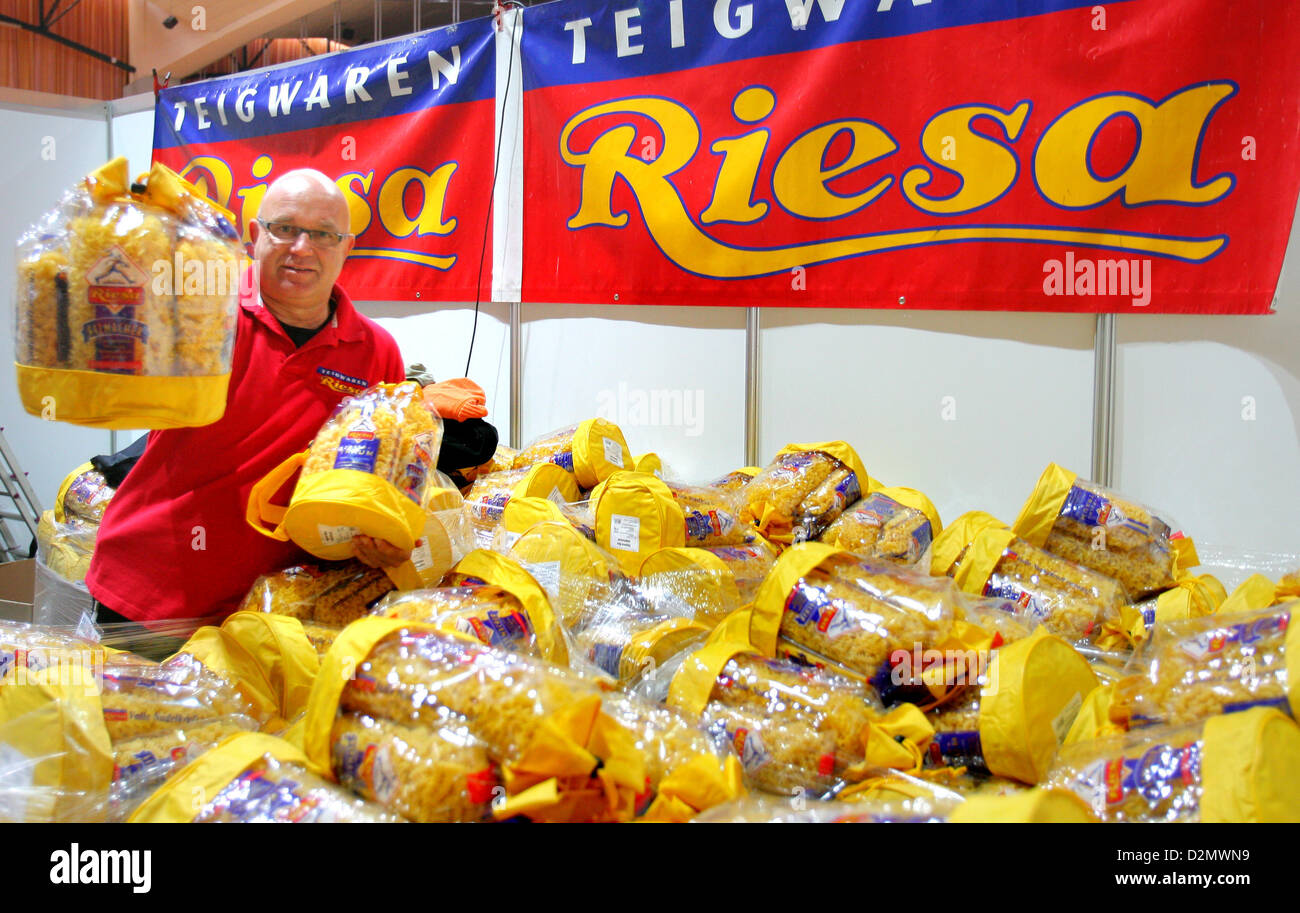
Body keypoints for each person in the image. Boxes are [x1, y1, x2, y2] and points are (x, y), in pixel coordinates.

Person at [86, 169, 411, 636]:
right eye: (285, 228)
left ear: (347, 247)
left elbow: (382, 478)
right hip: (155, 596)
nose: (302, 248)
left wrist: (386, 534)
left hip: (278, 612)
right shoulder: (202, 311)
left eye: (323, 234)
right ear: (256, 235)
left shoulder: (377, 351)